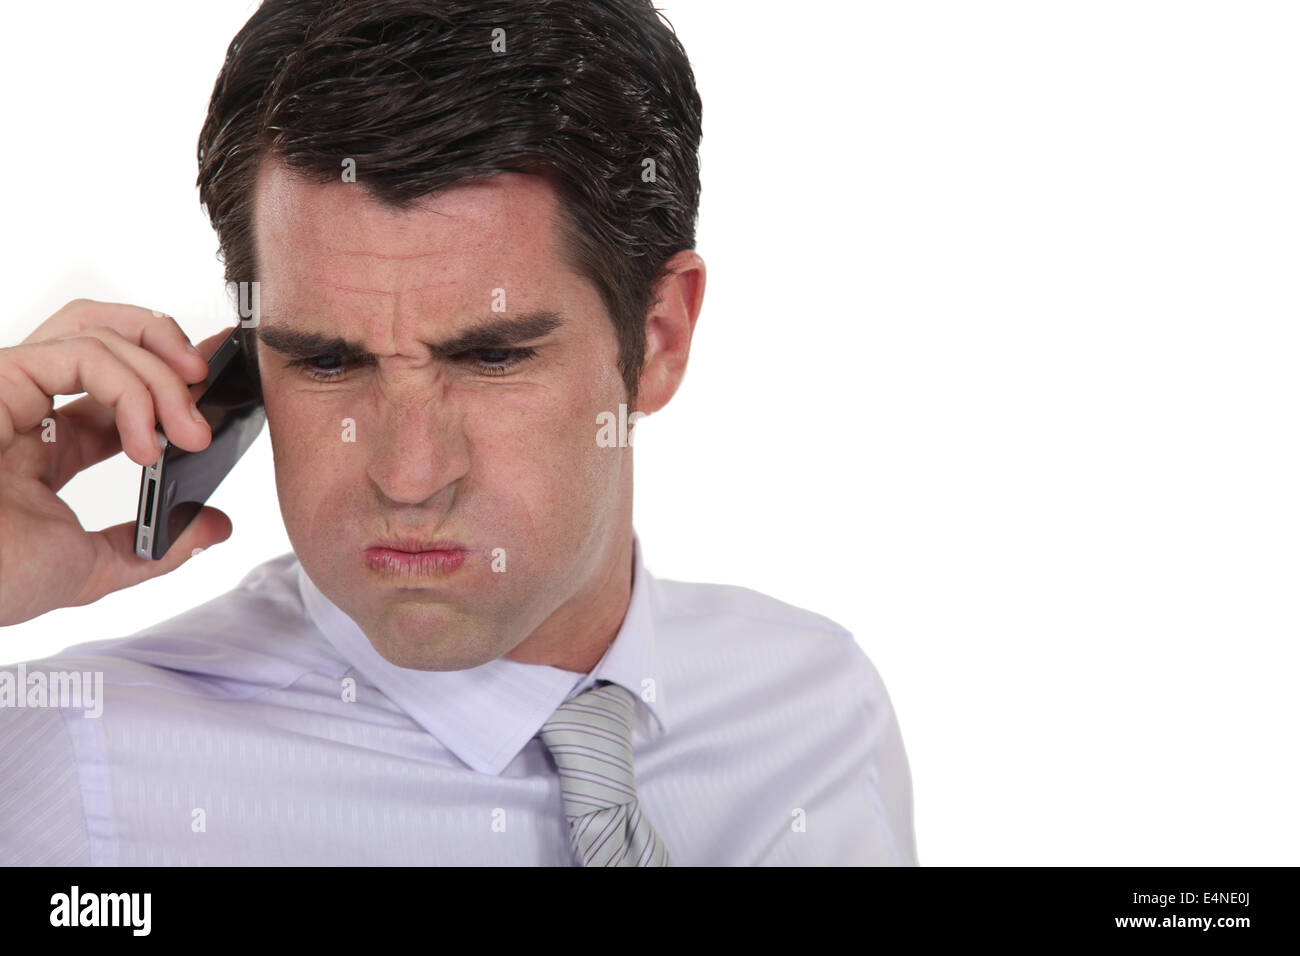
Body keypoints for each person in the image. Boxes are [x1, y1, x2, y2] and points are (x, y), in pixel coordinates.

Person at [0, 0, 917, 865]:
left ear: (661, 339)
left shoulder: (819, 712)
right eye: (327, 362)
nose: (408, 476)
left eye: (491, 360)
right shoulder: (75, 769)